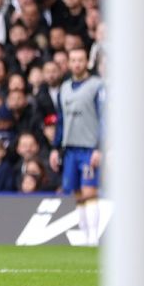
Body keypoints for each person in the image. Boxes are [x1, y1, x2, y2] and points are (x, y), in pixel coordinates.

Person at [49, 47, 105, 246]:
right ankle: (83, 236)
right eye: (73, 60)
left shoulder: (97, 86)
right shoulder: (63, 88)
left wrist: (100, 147)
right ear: (69, 63)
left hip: (89, 146)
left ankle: (93, 237)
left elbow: (103, 118)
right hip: (70, 147)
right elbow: (61, 121)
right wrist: (56, 147)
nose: (77, 64)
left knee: (90, 191)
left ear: (87, 62)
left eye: (80, 60)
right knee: (78, 194)